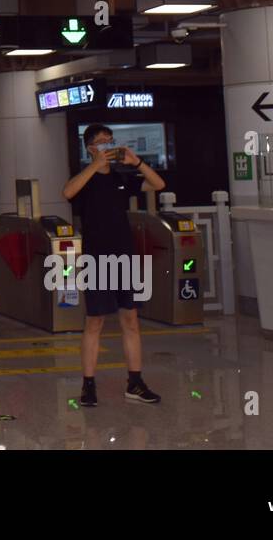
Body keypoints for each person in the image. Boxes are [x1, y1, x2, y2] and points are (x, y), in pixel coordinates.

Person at [62, 124, 167, 407]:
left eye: (110, 141)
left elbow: (158, 184)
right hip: (97, 258)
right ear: (90, 148)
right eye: (101, 142)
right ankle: (88, 385)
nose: (108, 146)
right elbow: (68, 192)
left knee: (130, 319)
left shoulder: (122, 178)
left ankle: (135, 382)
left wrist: (138, 162)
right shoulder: (85, 181)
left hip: (124, 256)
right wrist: (93, 166)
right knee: (94, 321)